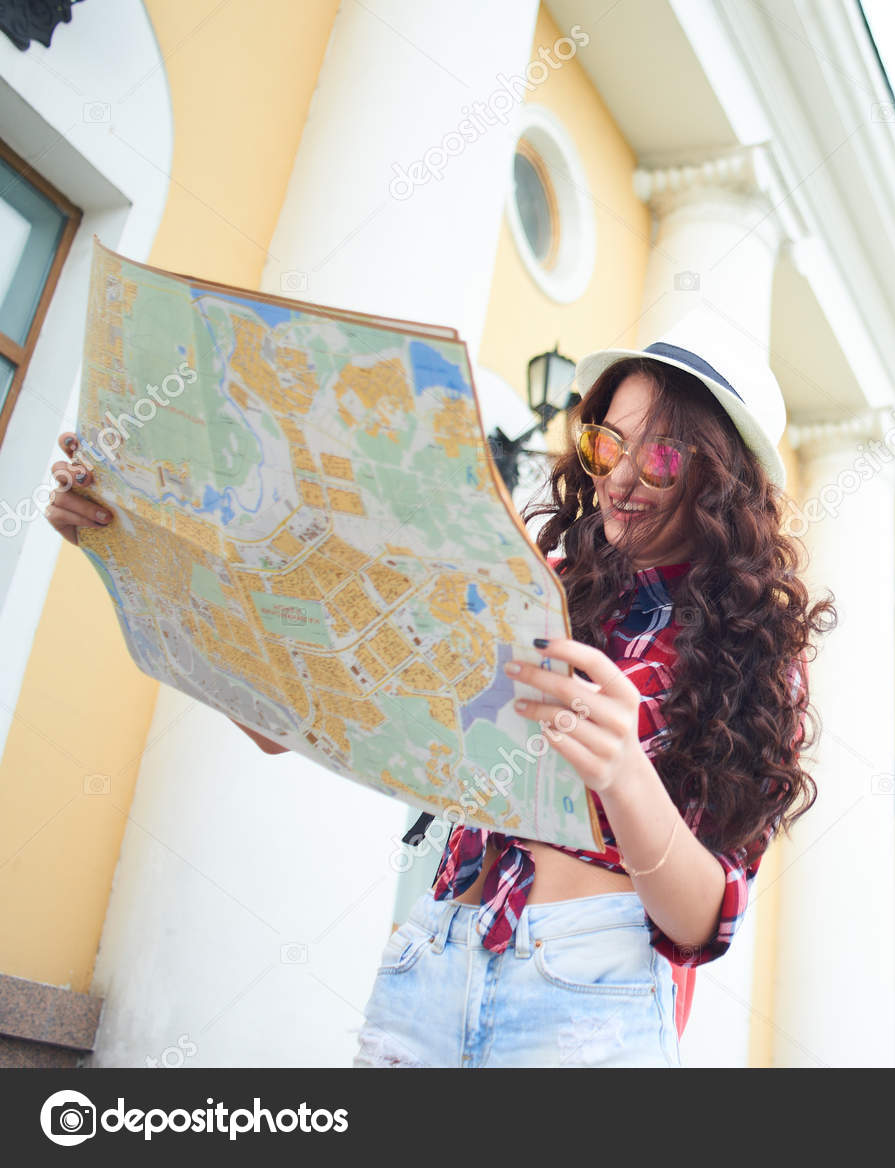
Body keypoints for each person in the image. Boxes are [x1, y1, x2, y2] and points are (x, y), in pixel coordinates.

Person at [45, 309, 834, 1067]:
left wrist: (626, 775)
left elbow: (702, 921)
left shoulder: (758, 655)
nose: (620, 480)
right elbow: (301, 717)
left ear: (724, 484)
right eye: (606, 444)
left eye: (661, 458)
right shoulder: (533, 587)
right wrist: (140, 548)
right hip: (430, 960)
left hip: (587, 992)